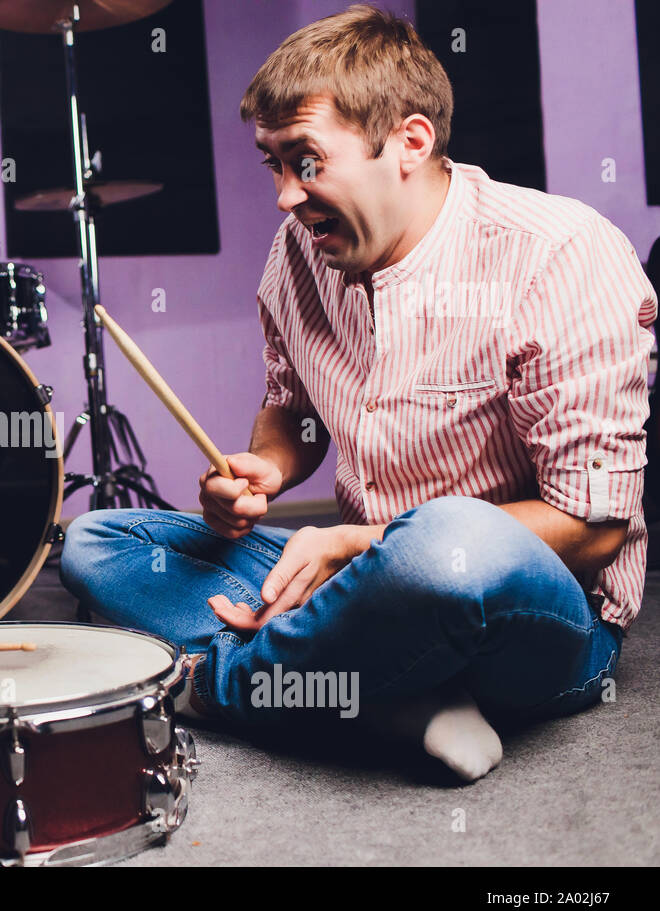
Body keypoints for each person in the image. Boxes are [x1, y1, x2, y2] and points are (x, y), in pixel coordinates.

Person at [61, 4, 658, 782]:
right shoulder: (303, 250)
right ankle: (371, 690)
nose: (283, 195)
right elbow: (295, 410)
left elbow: (594, 527)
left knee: (449, 544)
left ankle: (223, 685)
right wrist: (268, 470)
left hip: (533, 610)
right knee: (98, 542)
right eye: (271, 165)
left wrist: (357, 541)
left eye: (305, 161)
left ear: (410, 141)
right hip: (360, 580)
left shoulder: (559, 255)